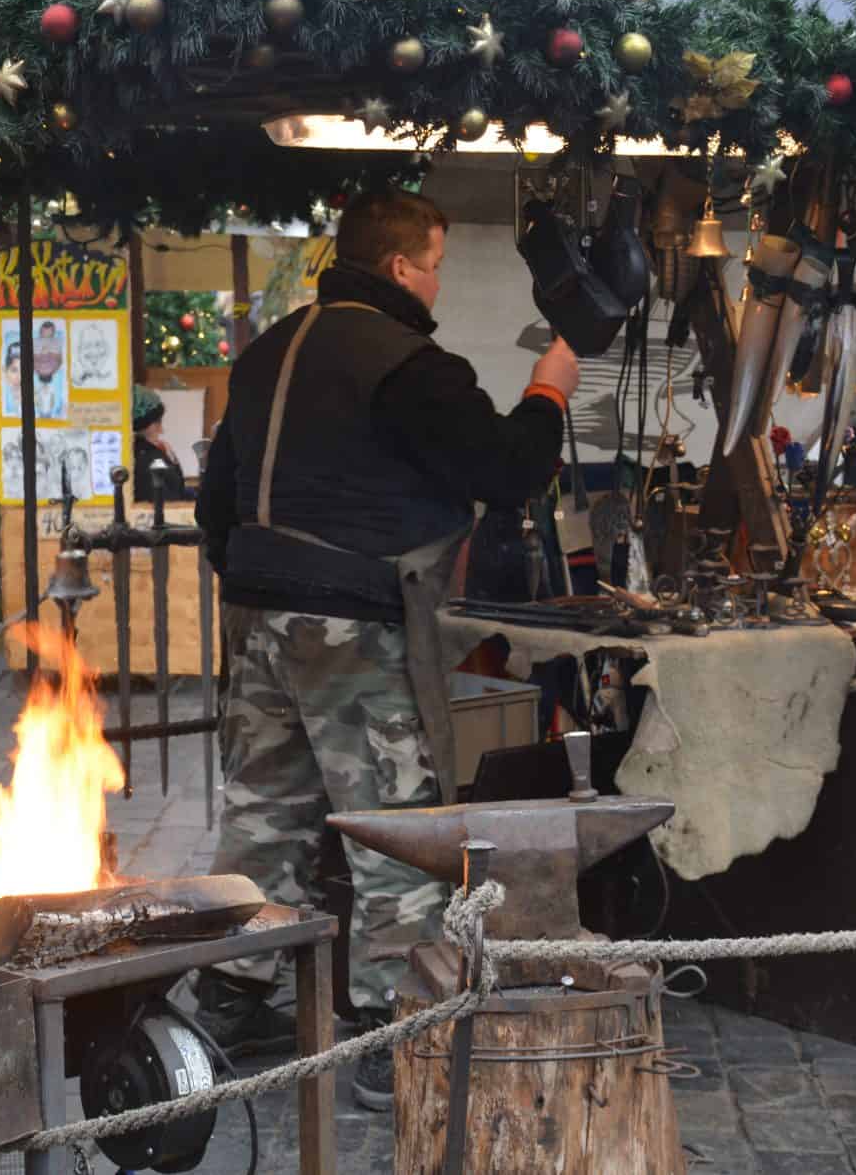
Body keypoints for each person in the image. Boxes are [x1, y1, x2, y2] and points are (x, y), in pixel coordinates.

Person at [195, 188, 578, 1111]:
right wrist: (550, 388)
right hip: (349, 624)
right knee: (393, 836)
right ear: (403, 266)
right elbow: (503, 467)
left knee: (261, 817)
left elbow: (218, 504)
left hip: (254, 613)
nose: (439, 284)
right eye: (437, 264)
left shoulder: (266, 350)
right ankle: (391, 1032)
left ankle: (228, 1003)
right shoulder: (410, 364)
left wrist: (264, 583)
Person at [131, 386, 188, 502]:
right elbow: (173, 497)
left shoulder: (148, 452)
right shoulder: (150, 458)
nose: (161, 430)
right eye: (157, 423)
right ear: (143, 425)